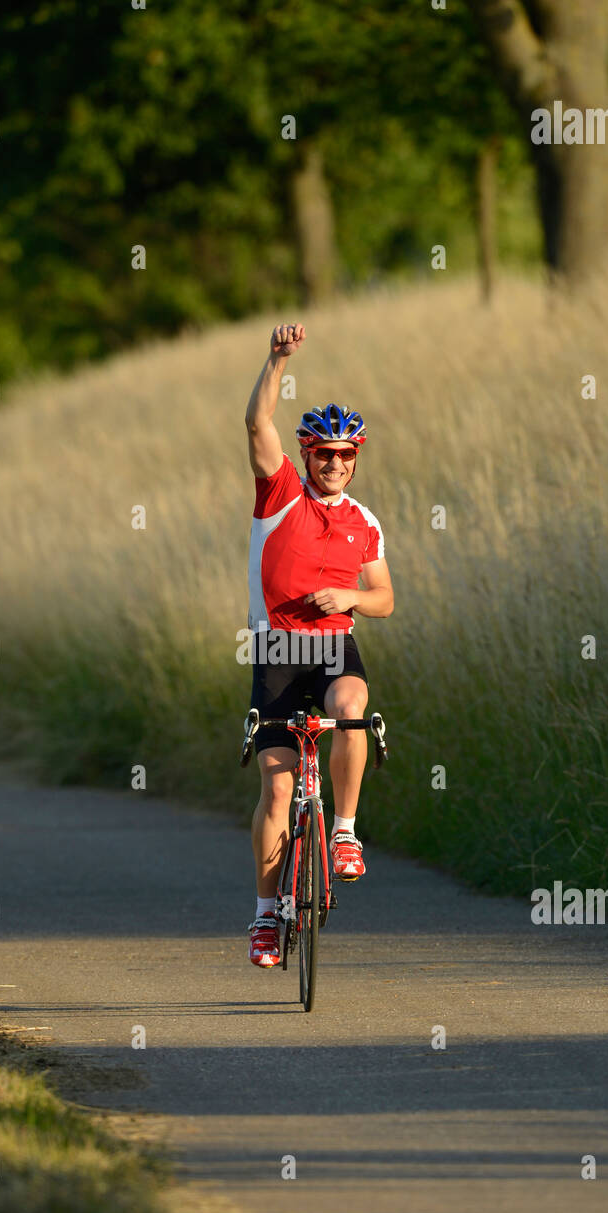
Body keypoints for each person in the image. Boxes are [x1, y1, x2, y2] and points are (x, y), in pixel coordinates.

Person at [244, 321, 394, 968]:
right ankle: (264, 916)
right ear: (306, 456)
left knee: (353, 703)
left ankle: (343, 833)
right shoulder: (279, 495)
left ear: (356, 458)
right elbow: (256, 425)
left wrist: (351, 599)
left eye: (345, 454)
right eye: (323, 453)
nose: (335, 463)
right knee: (277, 791)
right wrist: (276, 362)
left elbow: (384, 599)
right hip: (277, 653)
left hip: (335, 647)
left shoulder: (365, 522)